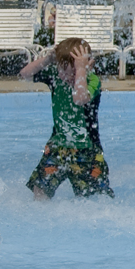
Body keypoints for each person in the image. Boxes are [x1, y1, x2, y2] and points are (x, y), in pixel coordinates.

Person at [18, 38, 113, 199]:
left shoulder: (92, 80)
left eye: (73, 72)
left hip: (87, 150)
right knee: (40, 189)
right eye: (63, 70)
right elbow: (24, 74)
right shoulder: (56, 77)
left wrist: (81, 70)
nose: (67, 76)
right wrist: (48, 59)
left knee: (93, 198)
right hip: (58, 146)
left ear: (87, 65)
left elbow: (79, 98)